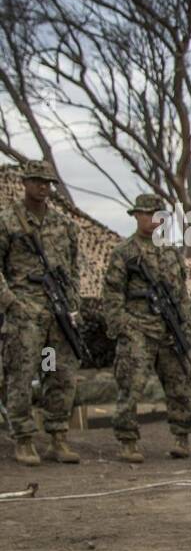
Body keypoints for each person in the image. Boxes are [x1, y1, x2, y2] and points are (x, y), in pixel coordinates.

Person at [102, 194, 191, 462]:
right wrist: (123, 327)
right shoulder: (125, 252)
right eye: (145, 213)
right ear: (135, 216)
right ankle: (127, 440)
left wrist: (184, 327)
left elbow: (182, 295)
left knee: (180, 384)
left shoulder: (171, 252)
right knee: (131, 385)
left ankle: (181, 436)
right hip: (137, 328)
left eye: (156, 214)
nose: (150, 219)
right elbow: (112, 293)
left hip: (169, 329)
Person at [0, 159, 82, 466]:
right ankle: (23, 439)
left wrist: (74, 306)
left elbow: (74, 269)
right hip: (25, 314)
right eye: (37, 181)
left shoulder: (64, 224)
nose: (43, 187)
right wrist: (10, 302)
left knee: (57, 372)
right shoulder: (8, 220)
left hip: (58, 316)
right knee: (21, 374)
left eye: (47, 182)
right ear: (25, 183)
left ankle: (57, 436)